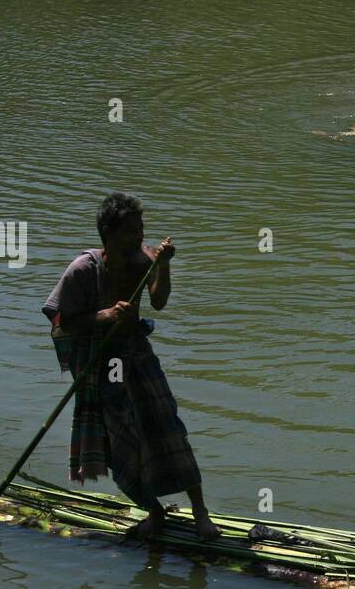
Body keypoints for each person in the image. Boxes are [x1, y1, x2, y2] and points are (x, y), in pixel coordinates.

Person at [41, 192, 221, 542]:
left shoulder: (144, 259)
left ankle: (201, 513)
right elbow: (60, 325)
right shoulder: (83, 270)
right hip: (100, 364)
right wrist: (103, 316)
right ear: (108, 233)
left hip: (136, 354)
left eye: (141, 229)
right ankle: (154, 511)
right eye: (131, 231)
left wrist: (163, 265)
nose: (140, 237)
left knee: (167, 427)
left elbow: (159, 301)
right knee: (121, 443)